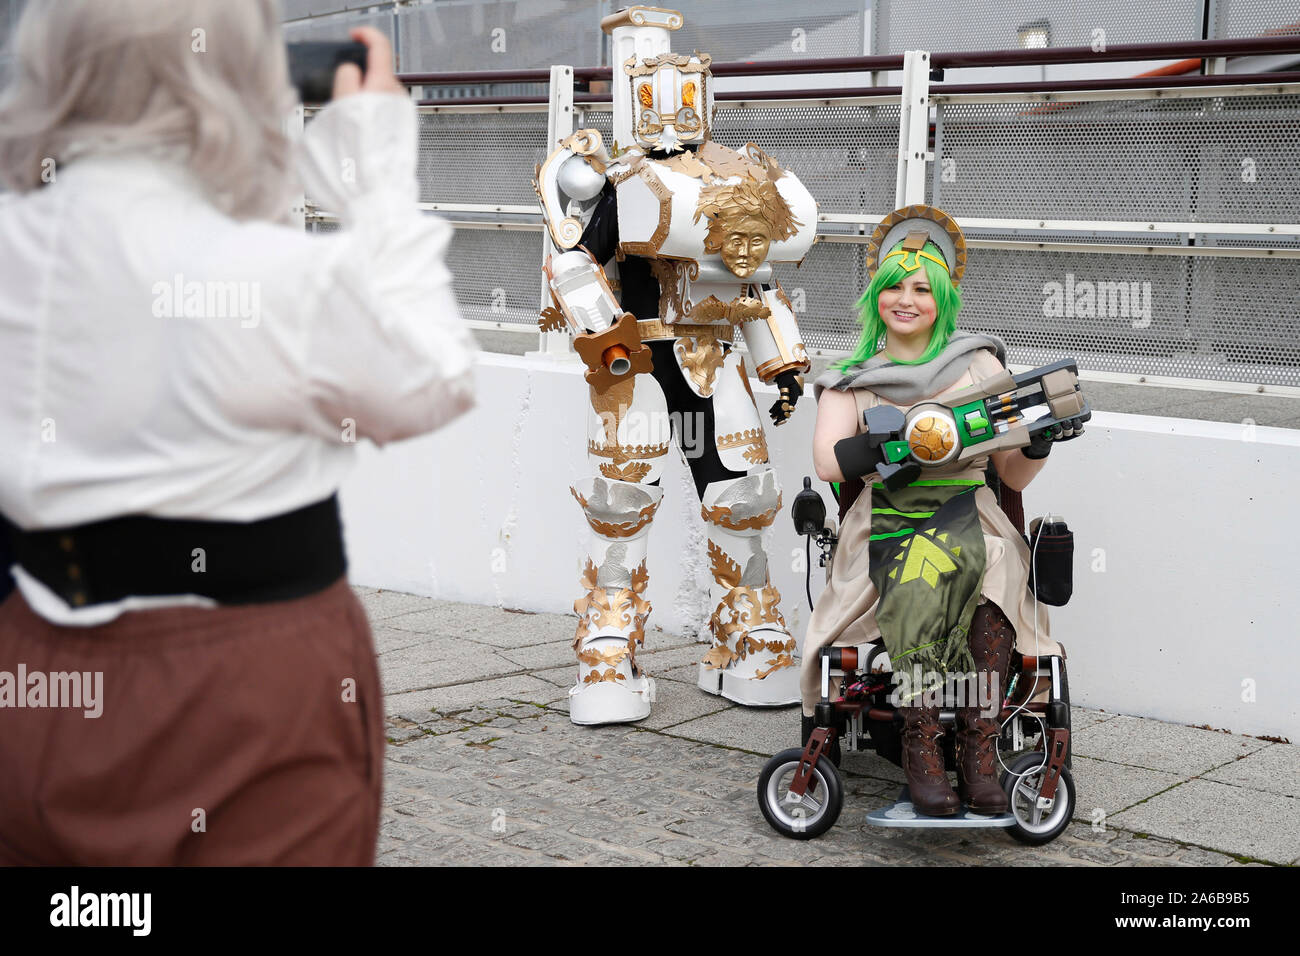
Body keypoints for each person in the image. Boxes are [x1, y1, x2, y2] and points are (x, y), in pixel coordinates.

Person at [0, 0, 477, 864]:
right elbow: (432, 381)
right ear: (237, 72)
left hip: (30, 655)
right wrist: (377, 179)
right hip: (242, 684)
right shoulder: (267, 277)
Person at [531, 8, 817, 725]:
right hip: (636, 364)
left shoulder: (724, 181)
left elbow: (754, 282)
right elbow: (573, 265)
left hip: (715, 355)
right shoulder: (614, 185)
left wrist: (780, 359)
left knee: (744, 494)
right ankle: (609, 640)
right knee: (623, 503)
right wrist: (593, 320)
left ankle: (746, 628)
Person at [805, 205, 1080, 816]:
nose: (906, 300)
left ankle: (979, 753)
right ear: (876, 295)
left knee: (997, 560)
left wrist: (1034, 444)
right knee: (916, 571)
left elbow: (1010, 473)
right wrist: (880, 445)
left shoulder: (981, 366)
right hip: (889, 515)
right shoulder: (851, 379)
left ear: (943, 300)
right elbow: (827, 464)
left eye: (921, 290)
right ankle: (923, 750)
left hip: (970, 508)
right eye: (894, 288)